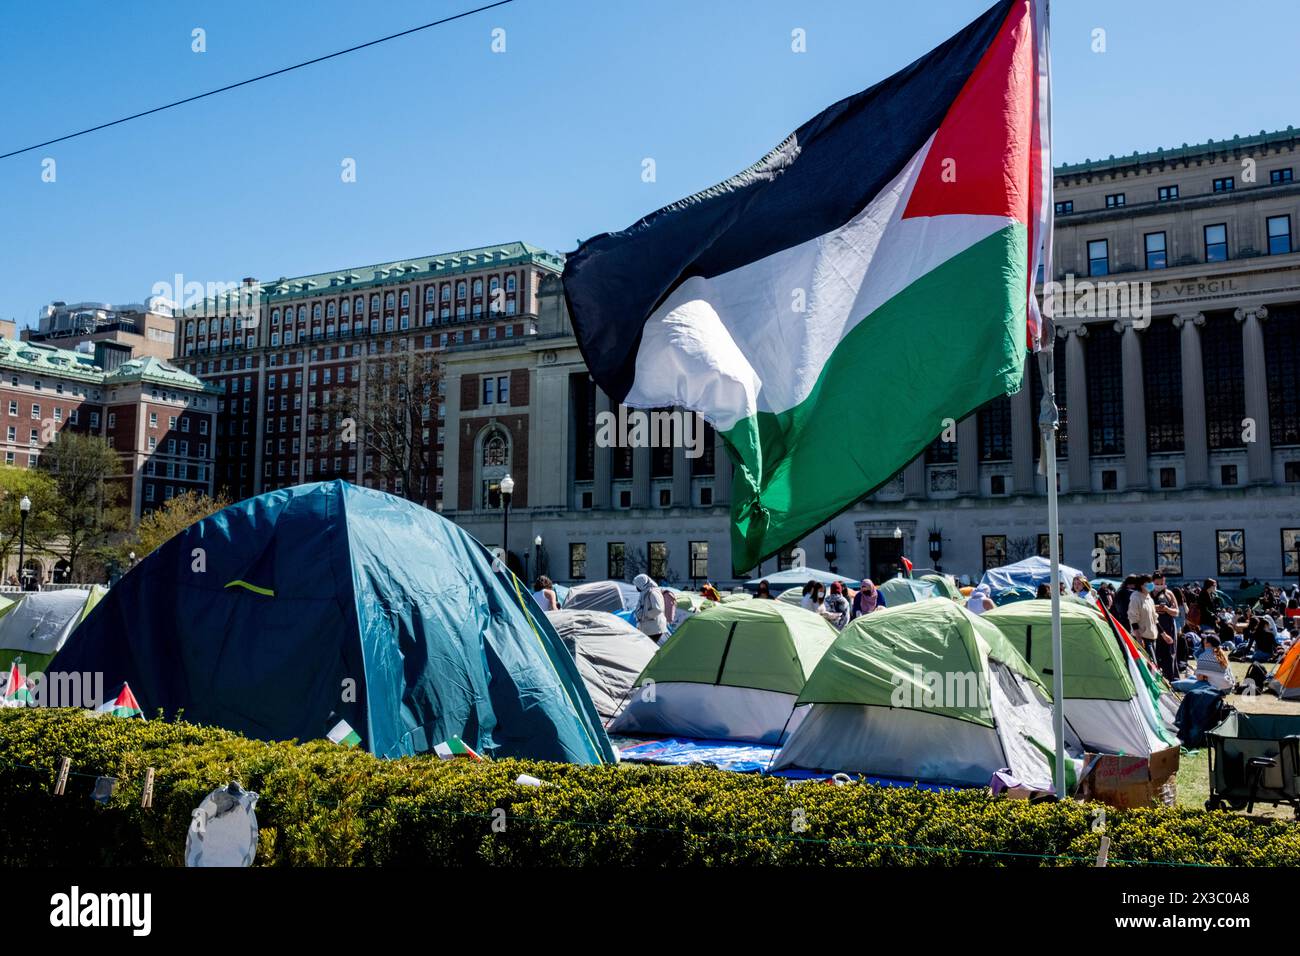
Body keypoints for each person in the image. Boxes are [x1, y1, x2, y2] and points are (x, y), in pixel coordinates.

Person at [1151, 571, 1180, 681]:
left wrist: (1167, 609)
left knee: (1170, 653)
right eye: (1157, 584)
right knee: (1156, 653)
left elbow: (1176, 612)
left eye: (1162, 583)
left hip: (1168, 626)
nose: (1160, 586)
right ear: (1152, 582)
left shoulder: (1169, 593)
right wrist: (1156, 607)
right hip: (1153, 627)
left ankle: (1172, 678)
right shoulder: (1147, 594)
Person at [1128, 574, 1159, 662]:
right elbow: (1133, 618)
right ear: (1141, 585)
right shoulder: (1135, 598)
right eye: (1148, 582)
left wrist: (1163, 634)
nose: (1151, 584)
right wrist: (1139, 638)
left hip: (1152, 636)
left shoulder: (1149, 598)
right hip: (1142, 637)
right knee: (1151, 663)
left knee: (1152, 663)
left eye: (1151, 582)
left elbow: (1155, 618)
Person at [633, 573, 668, 643]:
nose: (636, 587)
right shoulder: (646, 591)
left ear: (641, 584)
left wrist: (645, 615)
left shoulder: (653, 592)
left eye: (637, 585)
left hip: (654, 628)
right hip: (650, 627)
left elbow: (658, 609)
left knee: (649, 648)